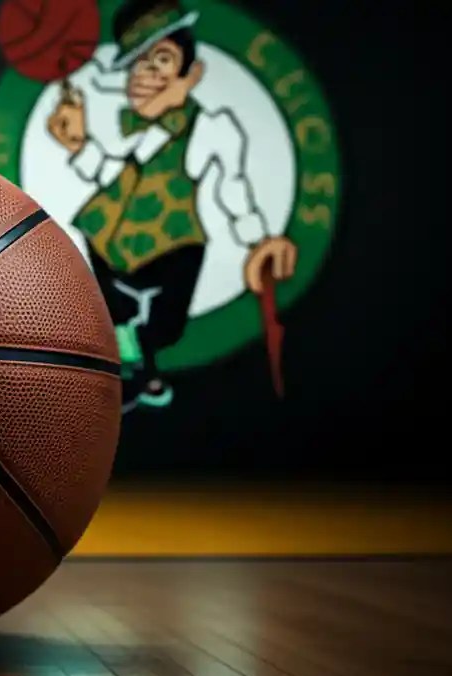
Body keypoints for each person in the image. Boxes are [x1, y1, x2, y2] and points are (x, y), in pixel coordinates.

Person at [48, 0, 296, 412]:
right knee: (110, 312)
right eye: (136, 65)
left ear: (191, 73)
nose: (144, 77)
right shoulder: (131, 125)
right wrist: (78, 144)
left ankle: (139, 356)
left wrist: (259, 240)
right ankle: (131, 363)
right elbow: (109, 171)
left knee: (168, 327)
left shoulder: (213, 127)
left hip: (173, 242)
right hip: (108, 235)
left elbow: (231, 187)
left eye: (161, 60)